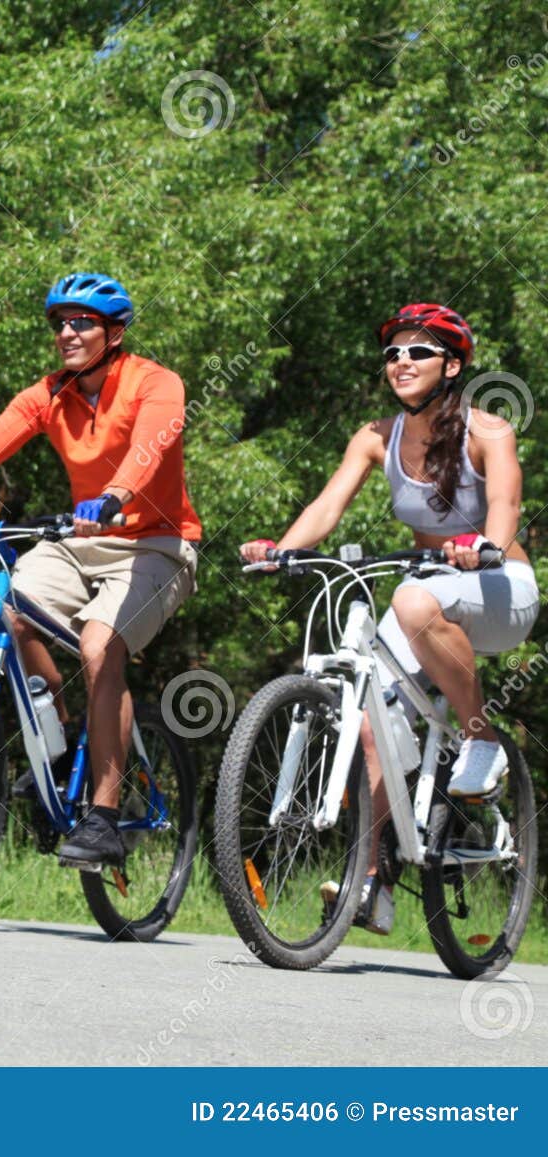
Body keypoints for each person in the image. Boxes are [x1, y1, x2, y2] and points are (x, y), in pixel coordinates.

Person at [239, 302, 538, 934]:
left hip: (499, 587)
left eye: (417, 351)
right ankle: (371, 881)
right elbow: (329, 503)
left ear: (452, 365)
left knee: (408, 600)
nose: (400, 362)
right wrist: (283, 549)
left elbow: (506, 504)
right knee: (371, 716)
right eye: (392, 353)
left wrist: (484, 542)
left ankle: (480, 738)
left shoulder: (489, 431)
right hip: (431, 588)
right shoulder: (376, 436)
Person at [0, 273, 202, 865]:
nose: (66, 332)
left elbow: (150, 447)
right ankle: (59, 750)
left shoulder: (155, 383)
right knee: (12, 608)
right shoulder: (49, 394)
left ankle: (106, 817)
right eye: (59, 322)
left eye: (81, 322)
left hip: (156, 544)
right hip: (82, 539)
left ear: (114, 332)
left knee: (97, 647)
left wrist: (114, 497)